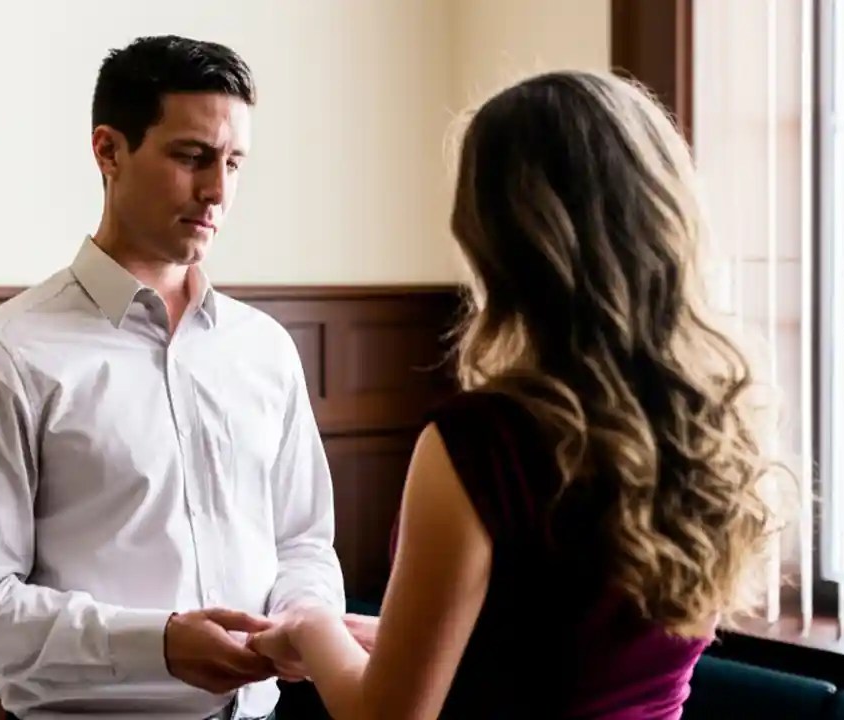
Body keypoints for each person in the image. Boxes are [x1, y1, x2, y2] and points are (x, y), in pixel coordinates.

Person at [249, 70, 783, 719]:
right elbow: (563, 652)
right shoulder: (710, 420)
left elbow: (388, 716)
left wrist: (310, 626)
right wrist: (386, 645)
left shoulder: (482, 442)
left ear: (499, 239)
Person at [0, 34, 344, 720]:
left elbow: (302, 540)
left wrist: (305, 621)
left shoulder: (264, 349)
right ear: (108, 151)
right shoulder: (3, 357)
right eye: (191, 157)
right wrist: (160, 644)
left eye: (234, 163)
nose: (217, 191)